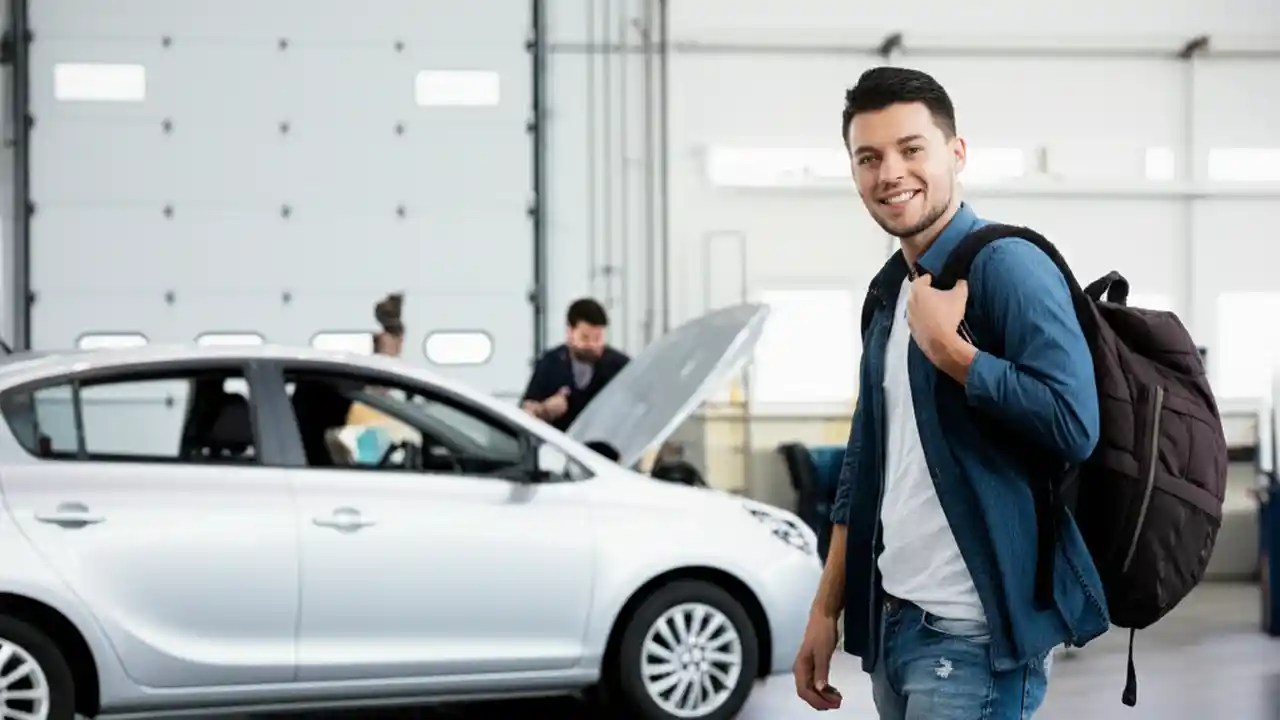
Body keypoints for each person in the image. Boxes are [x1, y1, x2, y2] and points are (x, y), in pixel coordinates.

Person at [793, 66, 1108, 718]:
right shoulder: (888, 296)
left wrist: (953, 355)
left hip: (975, 636)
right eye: (869, 157)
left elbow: (1075, 423)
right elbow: (864, 463)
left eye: (912, 149)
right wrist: (827, 610)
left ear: (956, 153)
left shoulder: (1010, 267)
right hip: (895, 625)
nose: (890, 173)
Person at [521, 298, 630, 432]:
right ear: (570, 332)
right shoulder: (550, 363)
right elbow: (524, 413)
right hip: (558, 448)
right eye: (585, 338)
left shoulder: (620, 366)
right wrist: (545, 410)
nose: (593, 345)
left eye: (598, 338)